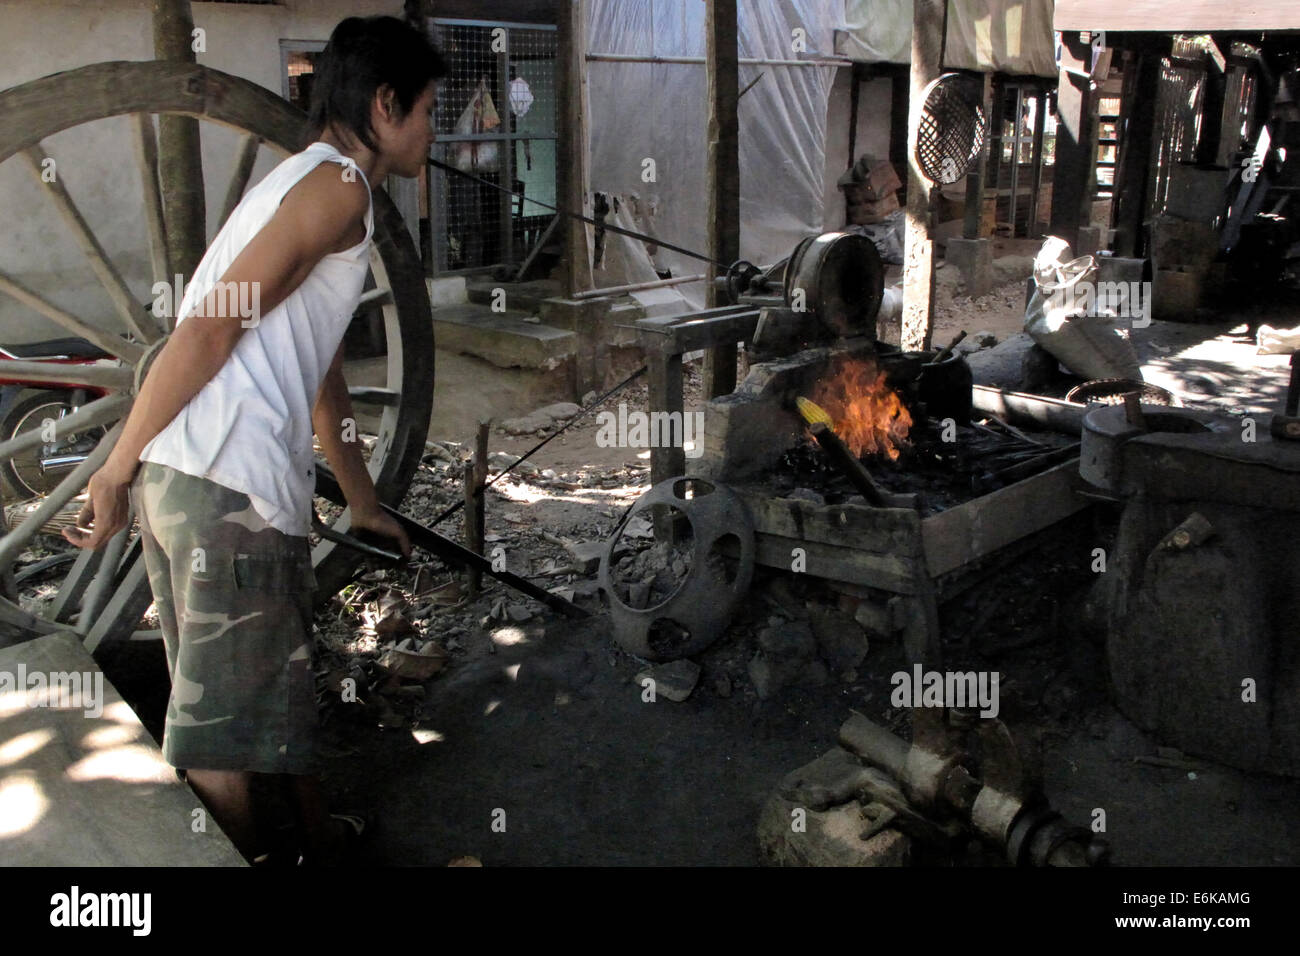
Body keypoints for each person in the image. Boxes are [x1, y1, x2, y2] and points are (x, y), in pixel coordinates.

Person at [64, 15, 446, 865]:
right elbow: (203, 333)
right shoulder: (338, 189)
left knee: (258, 699)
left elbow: (319, 372)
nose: (433, 129)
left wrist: (359, 498)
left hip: (193, 485)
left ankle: (311, 843)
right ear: (385, 105)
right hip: (224, 495)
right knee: (219, 749)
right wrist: (113, 469)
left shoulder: (304, 184)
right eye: (425, 108)